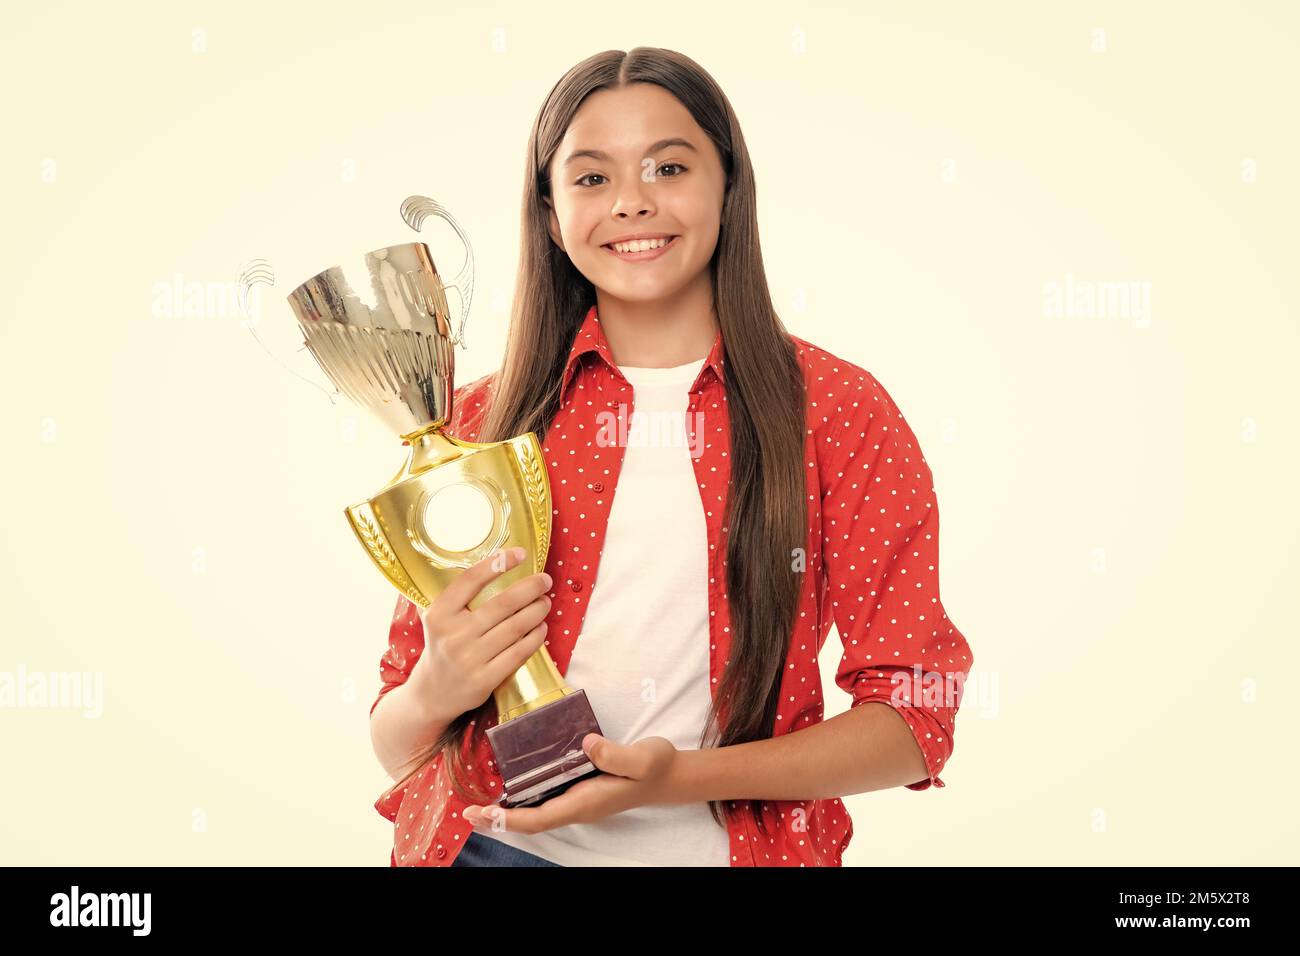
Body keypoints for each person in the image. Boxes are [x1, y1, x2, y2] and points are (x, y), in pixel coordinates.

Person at [368, 46, 974, 867]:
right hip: (487, 852)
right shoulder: (480, 418)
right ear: (549, 213)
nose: (630, 203)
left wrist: (677, 779)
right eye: (591, 178)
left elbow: (913, 720)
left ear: (729, 184)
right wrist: (439, 685)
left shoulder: (838, 411)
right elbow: (394, 737)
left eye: (668, 167)